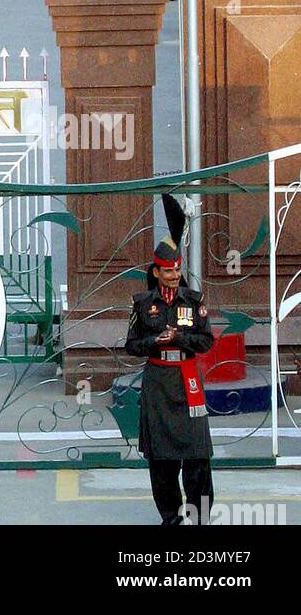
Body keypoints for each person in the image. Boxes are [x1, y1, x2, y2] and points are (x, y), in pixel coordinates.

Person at [125, 194, 214, 525]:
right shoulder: (143, 304)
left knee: (198, 456)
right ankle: (172, 519)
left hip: (187, 380)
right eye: (168, 271)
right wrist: (154, 341)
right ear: (157, 272)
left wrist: (180, 338)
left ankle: (200, 518)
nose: (174, 275)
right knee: (162, 461)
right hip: (159, 384)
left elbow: (206, 341)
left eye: (177, 269)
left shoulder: (193, 301)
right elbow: (131, 346)